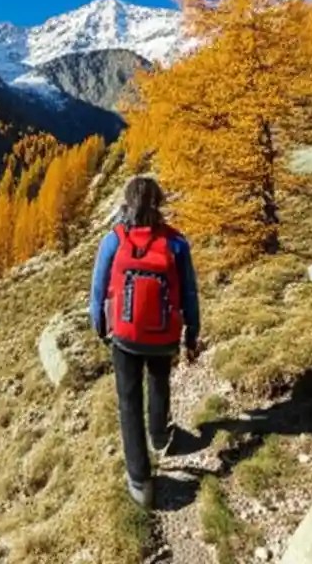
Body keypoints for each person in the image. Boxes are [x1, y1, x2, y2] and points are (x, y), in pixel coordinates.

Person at [89, 176, 201, 508]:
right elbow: (190, 292)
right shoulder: (176, 243)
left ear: (126, 203)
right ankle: (161, 437)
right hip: (163, 332)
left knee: (128, 402)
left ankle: (140, 482)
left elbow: (97, 289)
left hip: (123, 335)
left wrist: (100, 325)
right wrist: (191, 332)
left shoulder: (114, 240)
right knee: (159, 380)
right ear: (159, 203)